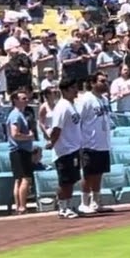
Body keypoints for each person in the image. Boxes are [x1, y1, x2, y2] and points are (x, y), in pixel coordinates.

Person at [47, 77, 84, 219]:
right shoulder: (62, 106)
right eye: (74, 88)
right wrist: (53, 143)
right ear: (66, 90)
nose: (76, 90)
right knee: (65, 180)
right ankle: (63, 208)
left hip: (73, 148)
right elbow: (56, 129)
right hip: (64, 150)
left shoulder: (71, 105)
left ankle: (68, 205)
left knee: (72, 179)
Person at [76, 71, 113, 213]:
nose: (105, 84)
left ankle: (96, 202)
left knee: (99, 173)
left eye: (106, 81)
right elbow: (78, 121)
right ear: (92, 83)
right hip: (89, 143)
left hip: (103, 142)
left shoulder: (104, 99)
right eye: (102, 81)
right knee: (88, 173)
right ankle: (84, 203)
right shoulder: (85, 99)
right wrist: (79, 143)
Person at [7, 89, 36, 214]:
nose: (26, 100)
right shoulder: (16, 115)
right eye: (23, 98)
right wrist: (29, 137)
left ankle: (19, 206)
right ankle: (22, 206)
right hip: (20, 150)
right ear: (15, 100)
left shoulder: (21, 114)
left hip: (19, 151)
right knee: (25, 179)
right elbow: (15, 134)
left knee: (18, 179)